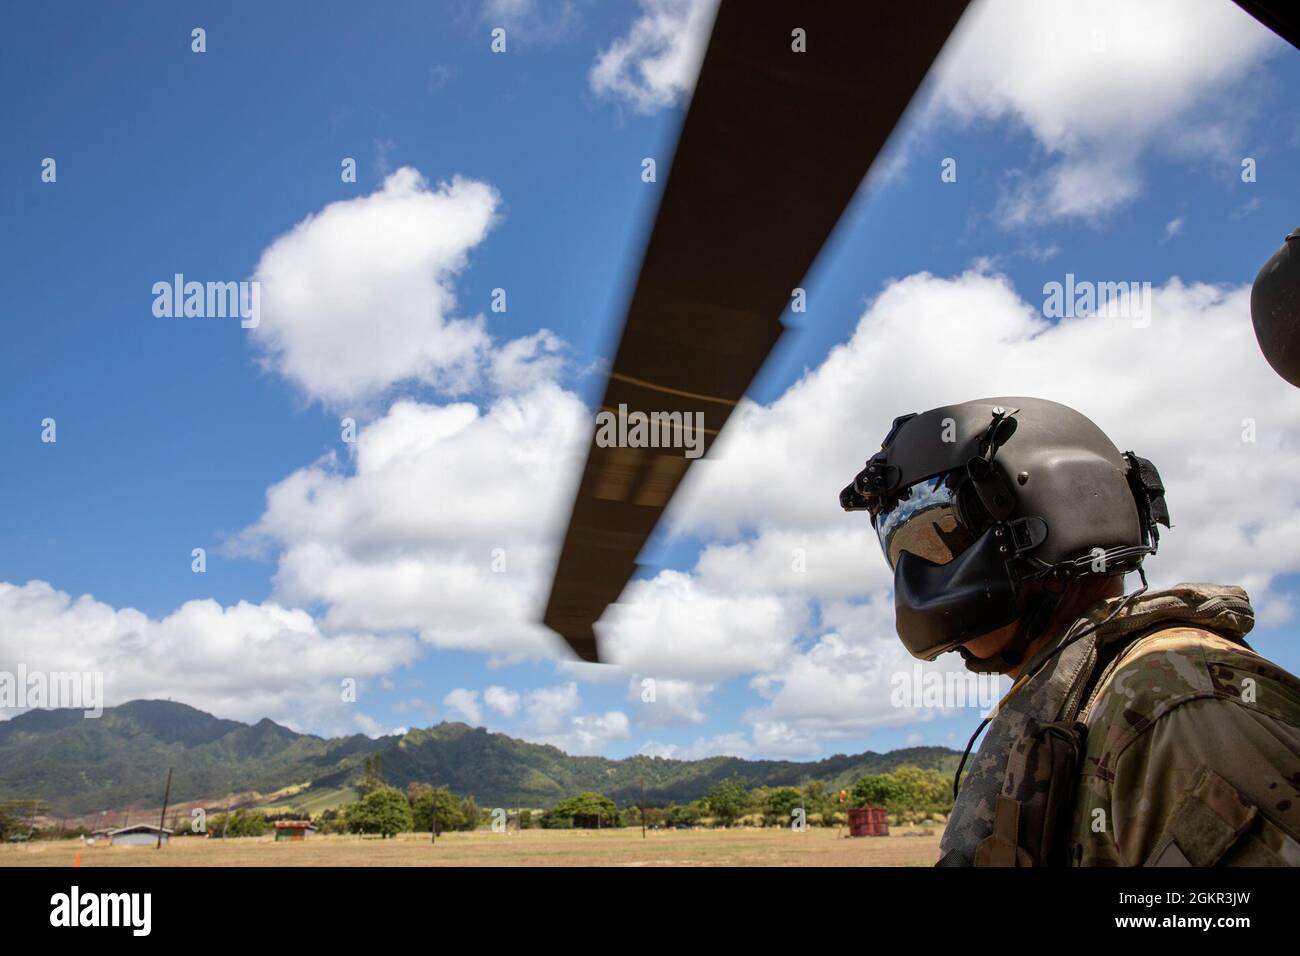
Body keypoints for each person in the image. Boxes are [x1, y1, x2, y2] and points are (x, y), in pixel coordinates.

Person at [841, 396, 1300, 866]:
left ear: (1062, 503)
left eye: (943, 537)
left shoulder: (1178, 712)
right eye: (901, 552)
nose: (915, 579)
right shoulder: (1081, 707)